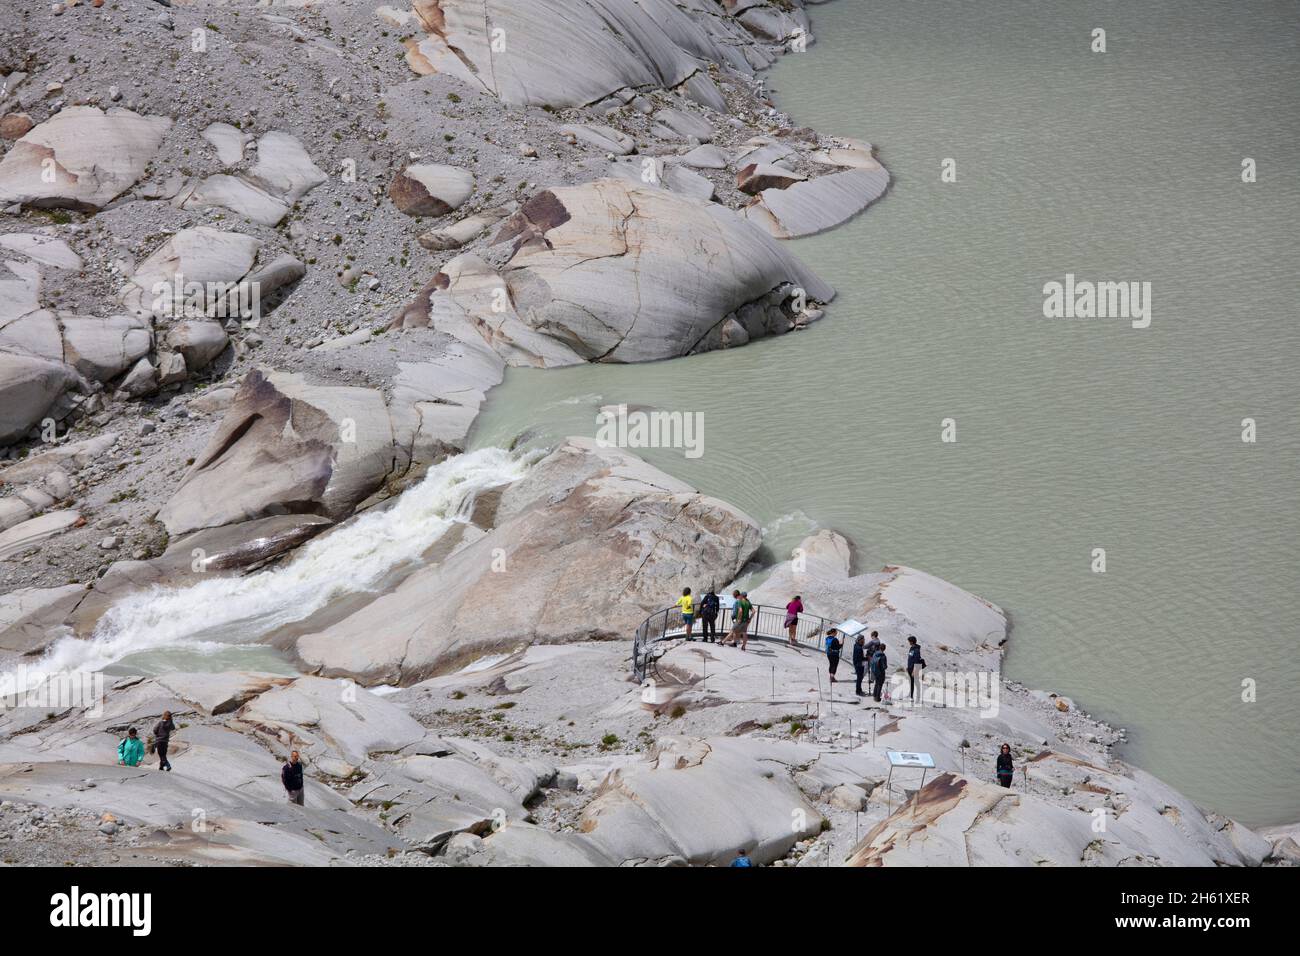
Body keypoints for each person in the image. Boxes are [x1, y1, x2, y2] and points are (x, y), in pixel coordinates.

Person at [906, 635, 925, 702]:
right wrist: (908, 667)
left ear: (911, 641)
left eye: (909, 641)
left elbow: (916, 660)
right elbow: (910, 658)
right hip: (910, 667)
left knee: (916, 682)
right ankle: (910, 694)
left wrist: (914, 670)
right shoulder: (912, 648)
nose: (908, 642)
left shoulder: (916, 650)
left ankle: (916, 696)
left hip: (914, 668)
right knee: (911, 682)